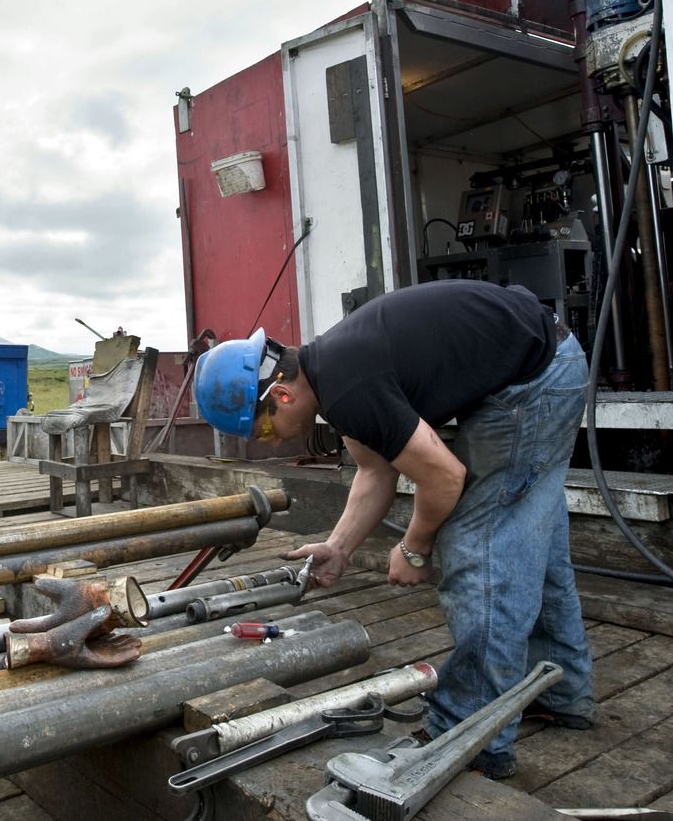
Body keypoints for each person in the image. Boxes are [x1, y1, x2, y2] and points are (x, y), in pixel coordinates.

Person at [192, 279, 594, 779]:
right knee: (531, 545)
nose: (270, 443)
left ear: (281, 394)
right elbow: (375, 470)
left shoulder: (349, 387)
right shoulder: (330, 374)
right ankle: (561, 692)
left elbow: (445, 478)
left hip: (534, 381)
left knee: (481, 554)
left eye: (265, 429)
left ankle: (468, 734)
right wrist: (339, 548)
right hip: (542, 360)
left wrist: (415, 546)